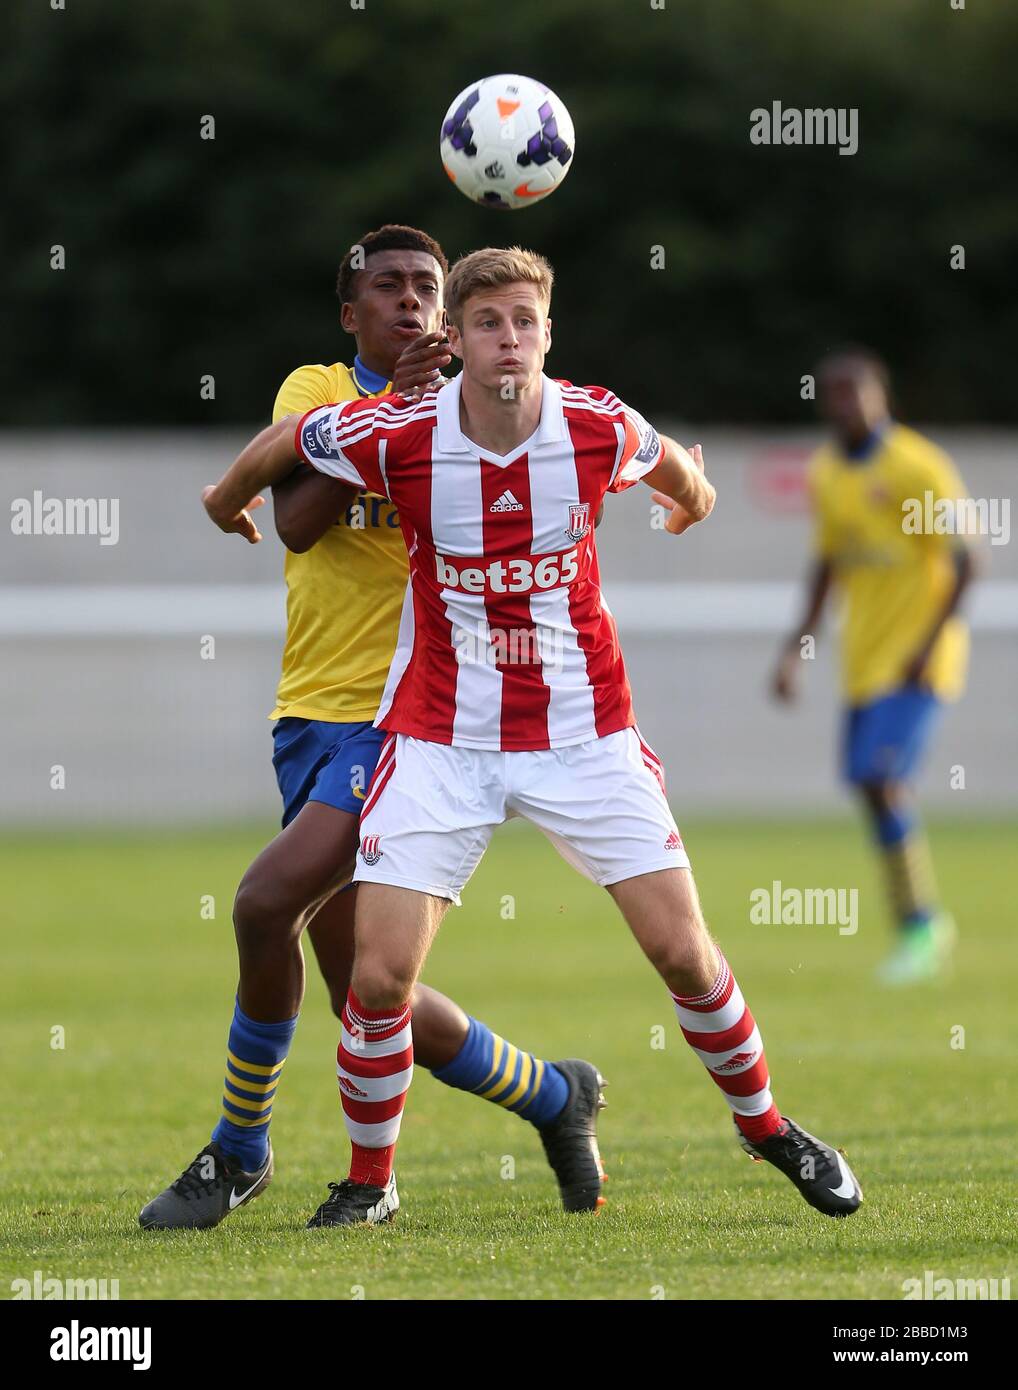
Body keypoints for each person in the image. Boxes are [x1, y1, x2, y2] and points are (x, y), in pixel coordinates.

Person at [202, 245, 864, 1227]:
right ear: (458, 342)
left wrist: (689, 505)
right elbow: (283, 444)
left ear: (545, 333)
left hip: (582, 733)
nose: (506, 338)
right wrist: (223, 505)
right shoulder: (402, 430)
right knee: (379, 979)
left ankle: (767, 1127)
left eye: (523, 321)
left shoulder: (595, 424)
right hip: (438, 736)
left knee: (682, 953)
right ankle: (371, 1184)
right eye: (486, 323)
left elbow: (686, 477)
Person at [139, 228, 607, 1232]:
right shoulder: (312, 393)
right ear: (350, 315)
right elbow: (301, 518)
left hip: (409, 717)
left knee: (265, 904)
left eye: (426, 289)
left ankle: (239, 1148)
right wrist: (385, 401)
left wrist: (414, 405)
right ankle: (554, 1095)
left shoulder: (464, 415)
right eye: (385, 288)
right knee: (366, 991)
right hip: (310, 711)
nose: (408, 301)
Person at [773, 348, 976, 985]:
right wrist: (793, 650)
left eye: (852, 391)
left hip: (921, 659)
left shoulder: (917, 463)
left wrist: (925, 644)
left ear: (879, 395)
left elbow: (967, 561)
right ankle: (919, 919)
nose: (842, 404)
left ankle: (922, 926)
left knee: (880, 776)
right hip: (865, 659)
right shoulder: (829, 473)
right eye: (830, 393)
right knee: (867, 781)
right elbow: (827, 567)